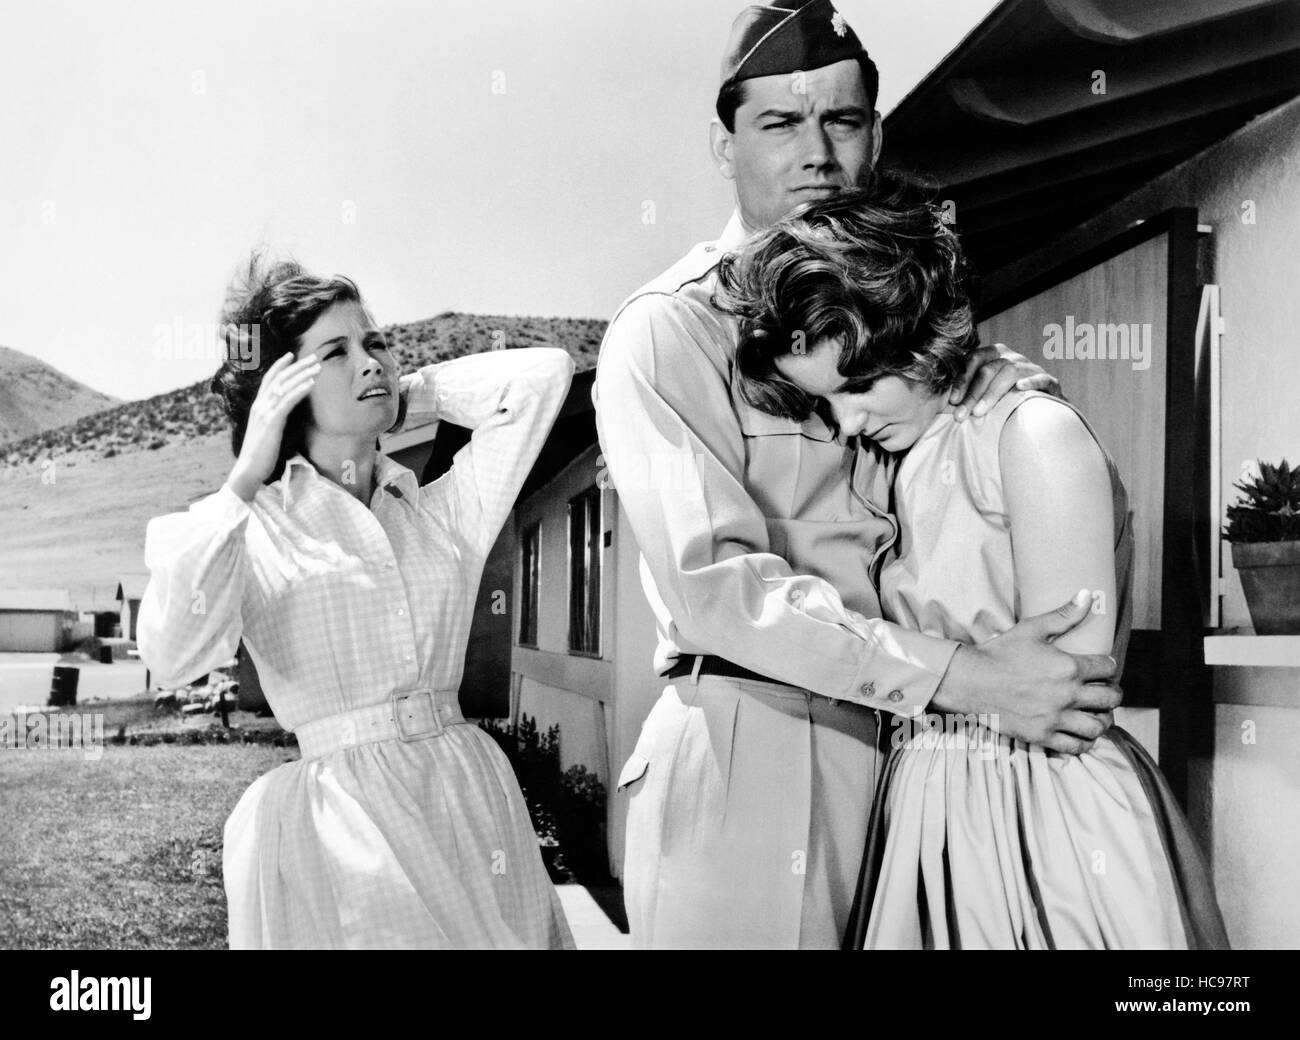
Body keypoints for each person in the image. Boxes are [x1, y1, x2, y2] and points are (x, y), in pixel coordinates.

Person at [594, 0, 1121, 949]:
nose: (816, 155)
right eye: (778, 123)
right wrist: (965, 677)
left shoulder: (897, 308)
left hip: (926, 758)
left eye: (841, 120)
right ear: (725, 142)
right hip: (760, 743)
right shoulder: (668, 330)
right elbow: (720, 593)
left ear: (874, 134)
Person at [720, 184, 1230, 949]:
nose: (849, 422)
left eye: (859, 386)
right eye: (828, 402)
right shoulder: (905, 445)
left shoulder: (1032, 433)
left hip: (1039, 813)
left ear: (923, 335)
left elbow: (1065, 693)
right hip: (931, 802)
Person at [137, 256, 576, 950]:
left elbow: (541, 378)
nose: (370, 361)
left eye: (376, 343)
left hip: (466, 798)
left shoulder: (441, 513)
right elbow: (170, 654)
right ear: (283, 387)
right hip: (344, 828)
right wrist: (248, 472)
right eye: (334, 353)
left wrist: (404, 391)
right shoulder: (252, 527)